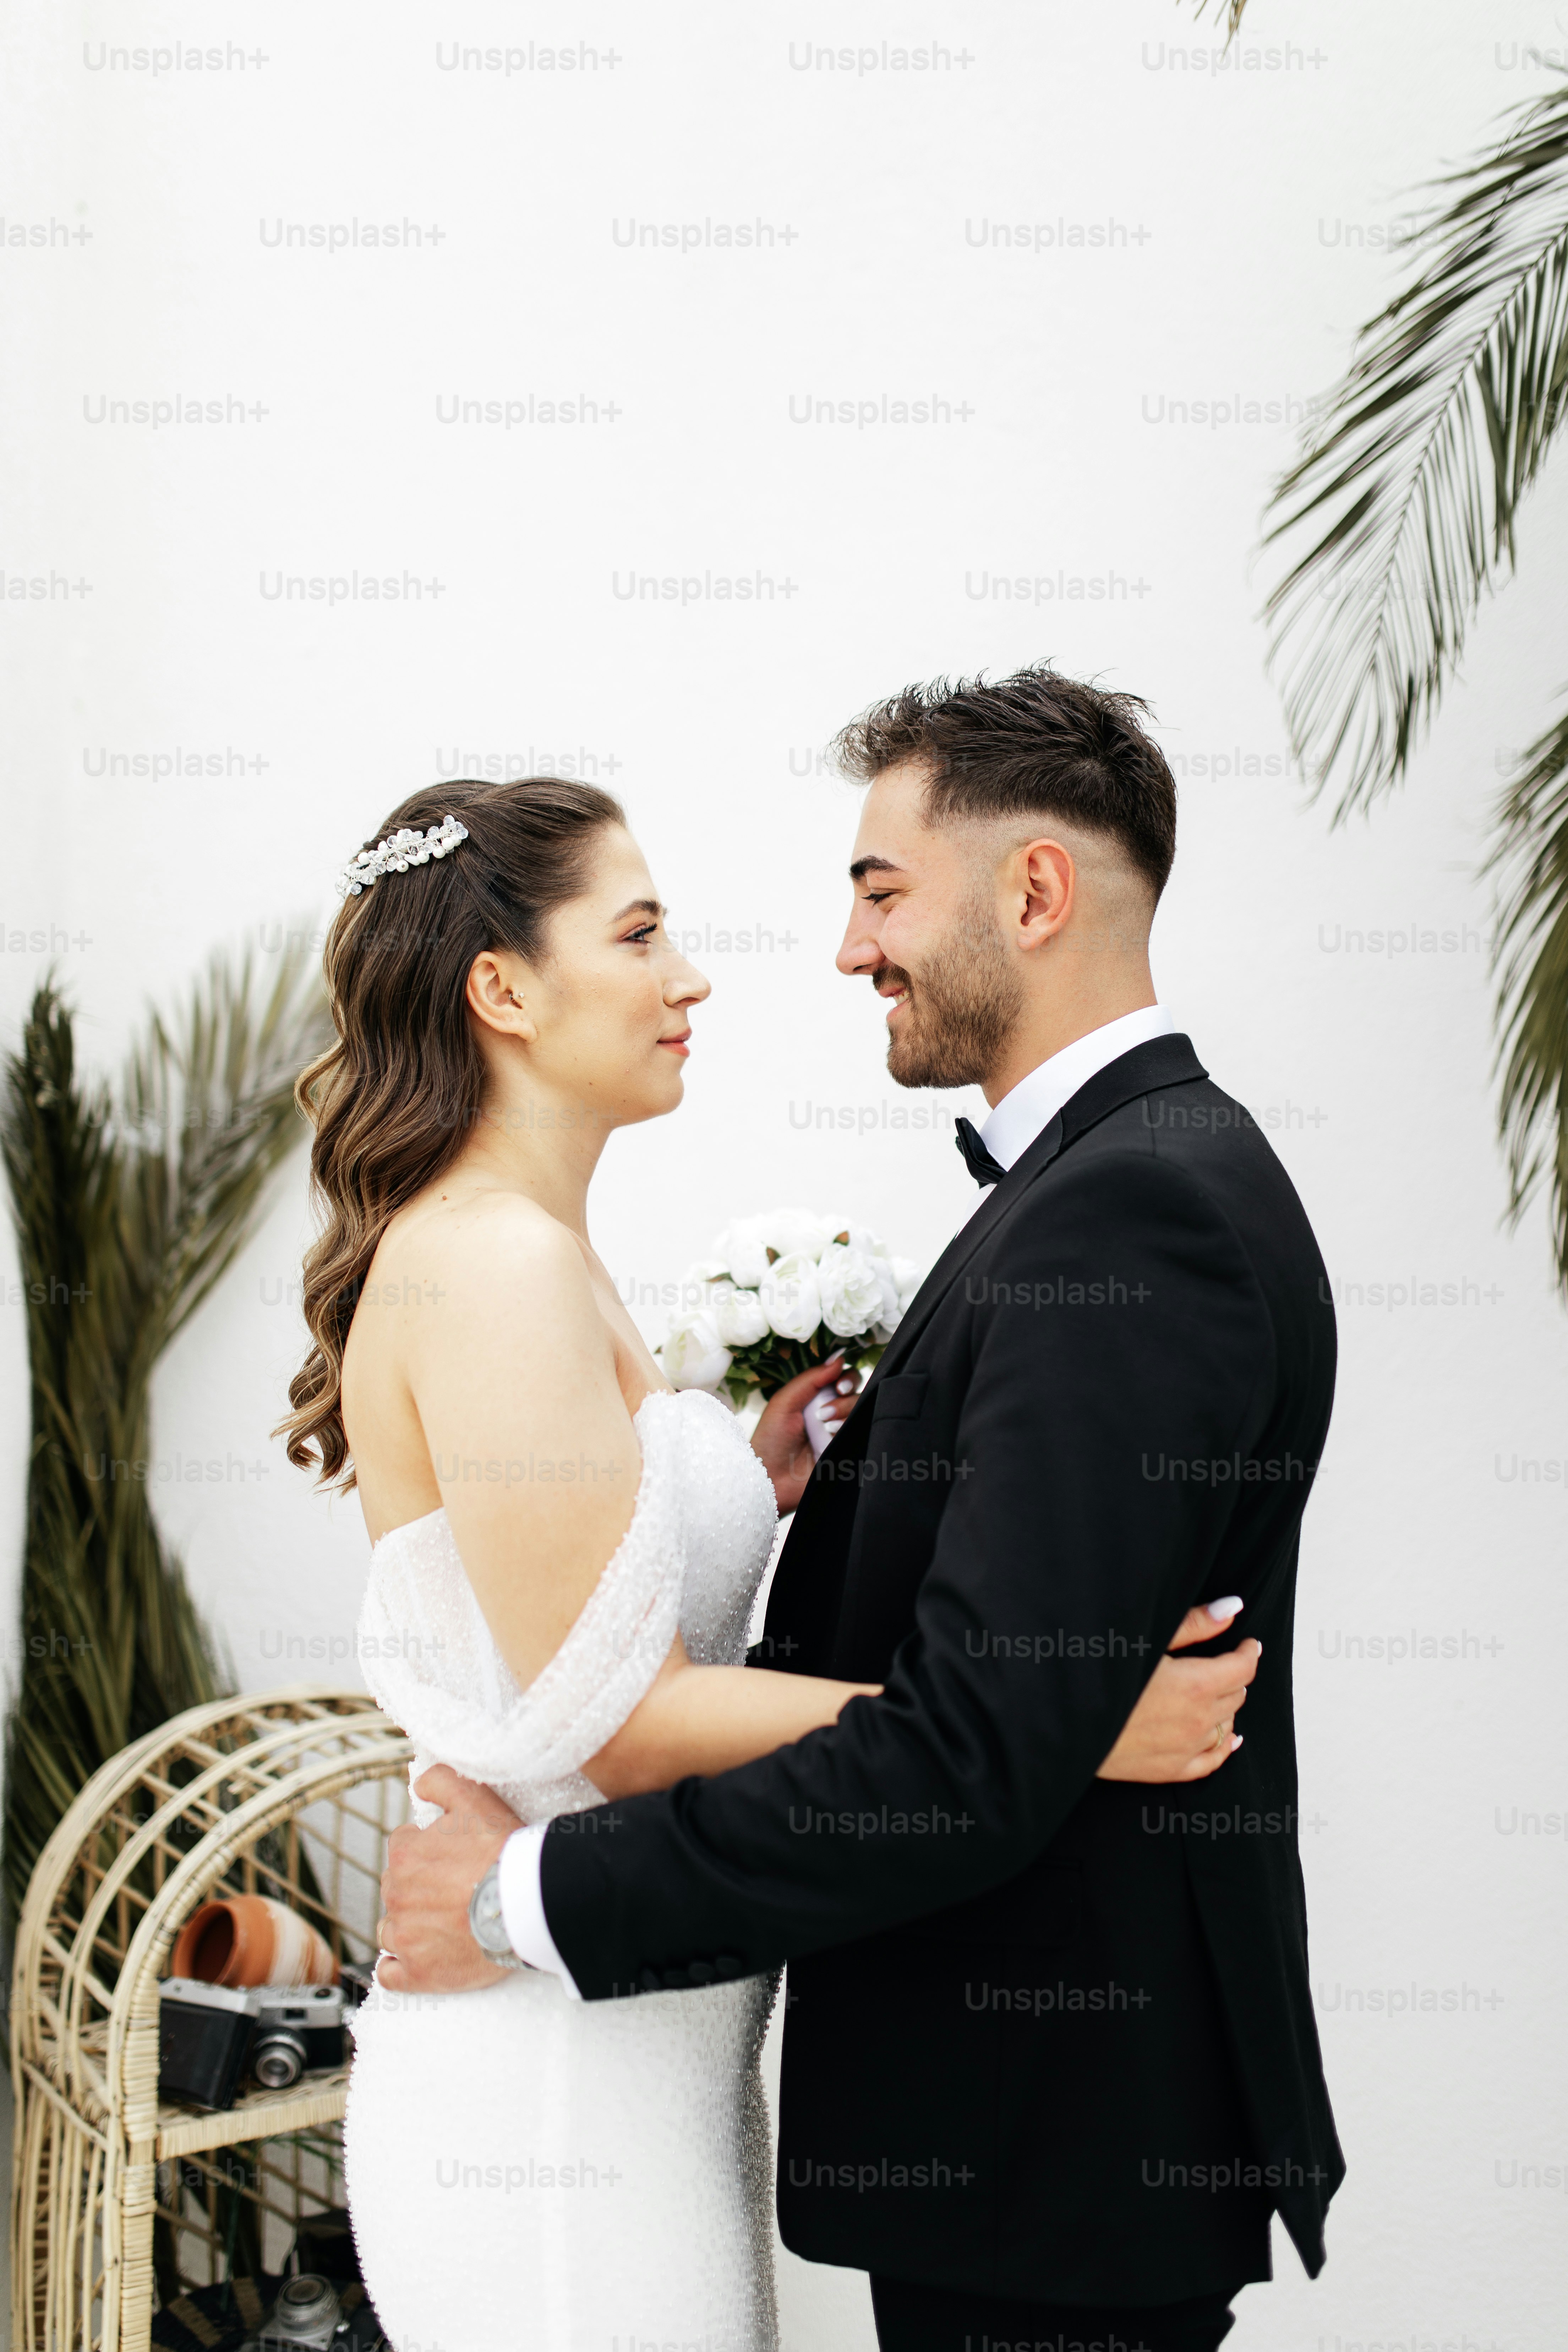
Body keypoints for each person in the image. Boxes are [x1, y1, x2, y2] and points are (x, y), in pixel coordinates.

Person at [375, 671, 1343, 2352]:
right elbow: (976, 1692)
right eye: (641, 936)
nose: (842, 950)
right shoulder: (1121, 1180)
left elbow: (973, 1752)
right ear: (499, 991)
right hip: (893, 2130)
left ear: (1032, 893)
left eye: (879, 890)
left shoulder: (1129, 1212)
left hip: (1049, 2154)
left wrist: (519, 1896)